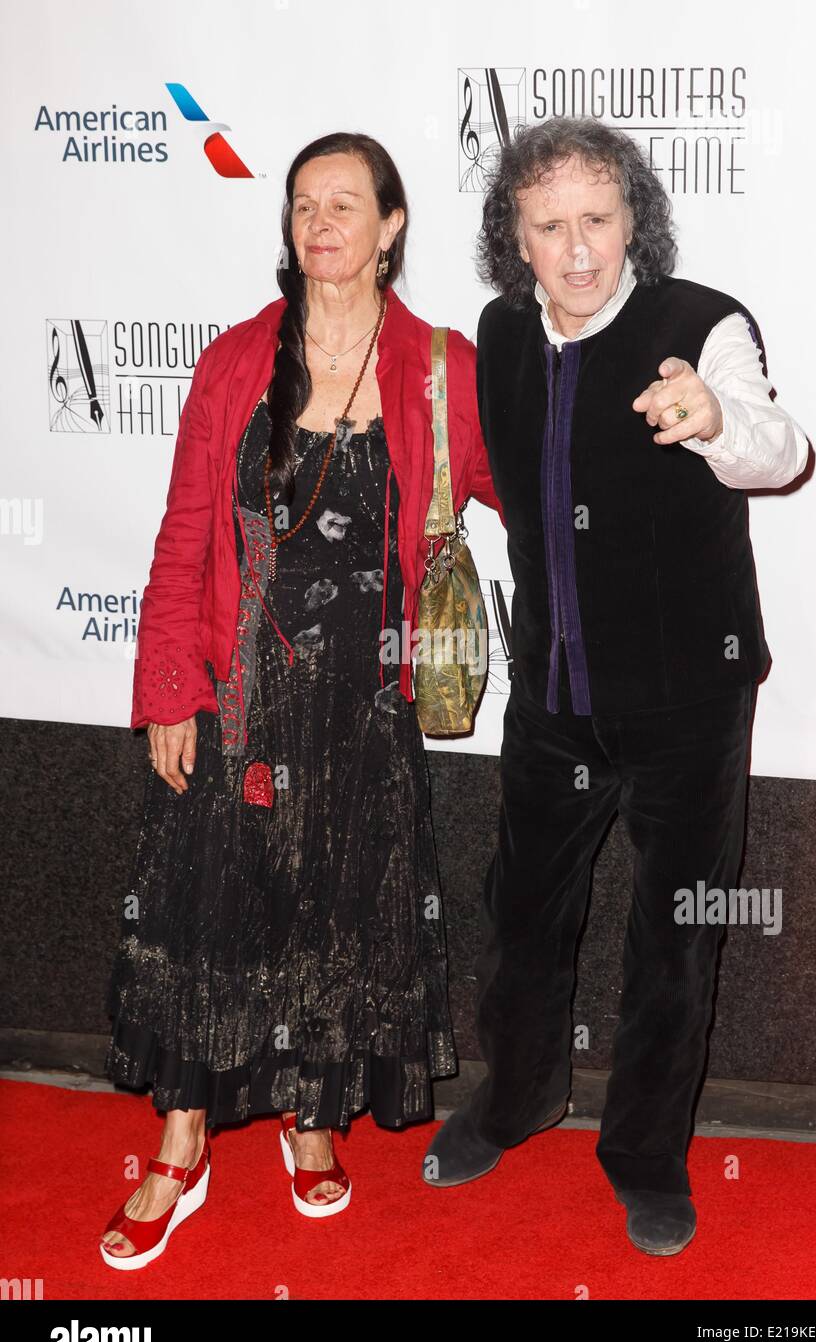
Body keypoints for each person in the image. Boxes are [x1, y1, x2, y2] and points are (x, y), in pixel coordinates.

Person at [99, 131, 504, 1268]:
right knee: (201, 917)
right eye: (302, 205)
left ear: (390, 228)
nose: (320, 222)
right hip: (237, 699)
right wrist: (168, 688)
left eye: (345, 203)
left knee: (337, 916)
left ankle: (312, 1119)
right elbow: (185, 535)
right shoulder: (235, 362)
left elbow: (529, 485)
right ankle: (182, 1142)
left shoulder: (442, 367)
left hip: (364, 713)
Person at [423, 115, 808, 1257]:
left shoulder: (702, 324)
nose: (579, 250)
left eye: (598, 219)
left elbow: (777, 449)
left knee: (674, 936)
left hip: (690, 700)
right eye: (551, 227)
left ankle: (643, 1155)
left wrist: (711, 419)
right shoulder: (496, 333)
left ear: (634, 216)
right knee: (521, 915)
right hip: (551, 693)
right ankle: (516, 1097)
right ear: (516, 238)